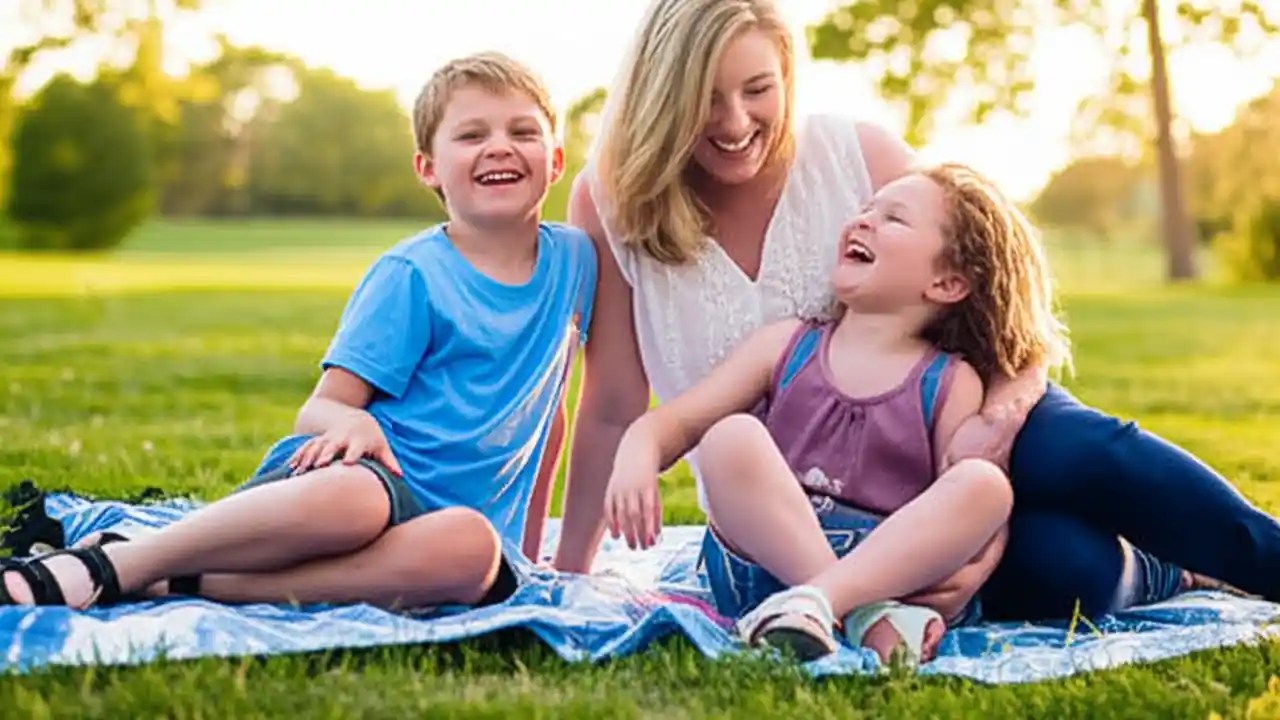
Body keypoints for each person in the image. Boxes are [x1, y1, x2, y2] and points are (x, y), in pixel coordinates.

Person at [553, 0, 1279, 634]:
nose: (735, 121)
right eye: (705, 99)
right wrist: (569, 577)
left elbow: (999, 313)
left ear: (788, 79)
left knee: (1079, 451)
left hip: (949, 437)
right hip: (788, 510)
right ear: (660, 94)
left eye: (757, 90)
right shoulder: (612, 200)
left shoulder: (858, 155)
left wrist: (992, 447)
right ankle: (1169, 573)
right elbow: (615, 404)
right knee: (1064, 566)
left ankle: (1265, 558)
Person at [0, 51, 597, 611]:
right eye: (472, 135)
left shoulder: (574, 262)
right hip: (355, 487)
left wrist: (529, 547)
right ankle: (119, 564)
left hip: (439, 533)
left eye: (523, 132)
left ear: (557, 158)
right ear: (428, 168)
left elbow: (546, 419)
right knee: (360, 501)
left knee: (472, 547)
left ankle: (187, 581)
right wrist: (354, 423)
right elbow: (321, 410)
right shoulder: (411, 276)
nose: (501, 148)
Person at [603, 162, 1060, 664]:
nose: (863, 220)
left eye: (894, 219)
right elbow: (681, 421)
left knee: (985, 484)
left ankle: (822, 604)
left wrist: (978, 556)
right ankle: (857, 615)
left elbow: (957, 501)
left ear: (948, 283)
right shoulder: (787, 345)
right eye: (867, 209)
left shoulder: (951, 382)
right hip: (765, 563)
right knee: (728, 436)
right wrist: (638, 450)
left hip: (886, 570)